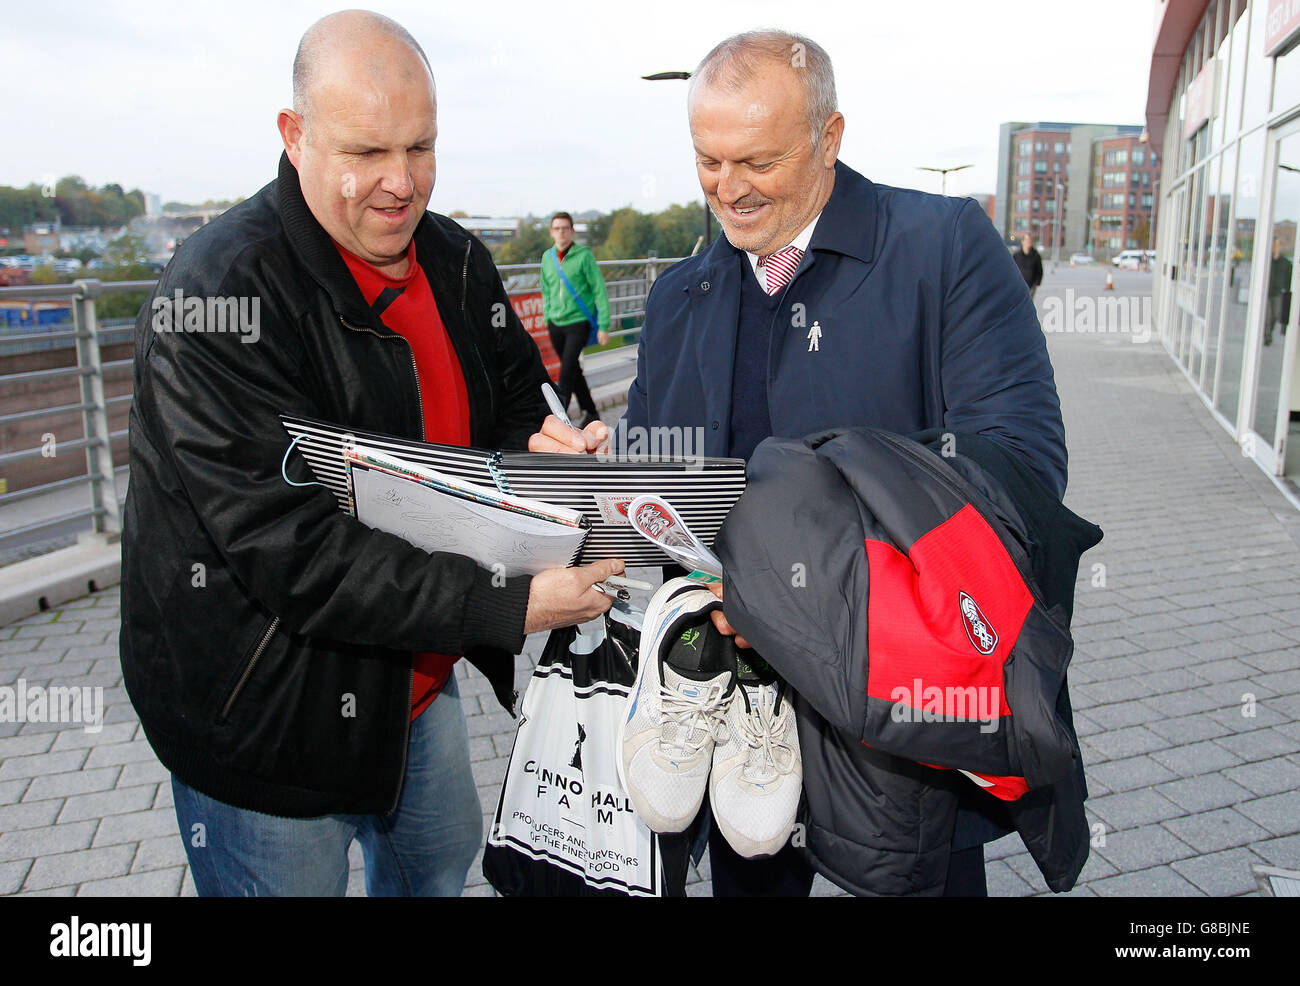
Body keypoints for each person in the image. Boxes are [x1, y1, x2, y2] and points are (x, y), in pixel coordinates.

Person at [532, 30, 1068, 897]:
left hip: (899, 721)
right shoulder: (679, 295)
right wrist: (604, 472)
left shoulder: (944, 245)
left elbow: (1022, 465)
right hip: (733, 719)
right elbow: (670, 477)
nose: (728, 189)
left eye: (757, 160)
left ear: (829, 138)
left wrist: (807, 594)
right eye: (708, 161)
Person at [119, 10, 622, 898]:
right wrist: (504, 608)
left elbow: (509, 408)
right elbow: (295, 551)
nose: (401, 184)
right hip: (265, 719)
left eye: (421, 147)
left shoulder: (456, 260)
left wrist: (548, 453)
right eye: (366, 153)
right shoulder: (216, 297)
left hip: (414, 691)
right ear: (295, 136)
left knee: (435, 872)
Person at [541, 211, 610, 427]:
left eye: (565, 228)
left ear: (571, 231)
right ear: (552, 232)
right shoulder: (547, 257)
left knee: (567, 369)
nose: (561, 232)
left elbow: (599, 290)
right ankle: (591, 412)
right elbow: (546, 288)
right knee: (573, 370)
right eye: (557, 228)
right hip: (555, 323)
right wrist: (547, 316)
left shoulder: (584, 256)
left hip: (578, 322)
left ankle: (561, 417)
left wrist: (604, 325)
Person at [1267, 238, 1292, 346]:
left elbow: (1289, 278)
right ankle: (1267, 336)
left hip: (1278, 293)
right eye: (1273, 245)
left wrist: (1287, 291)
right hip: (1267, 292)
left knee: (1275, 315)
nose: (1275, 247)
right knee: (1267, 316)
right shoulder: (1267, 261)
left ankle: (1269, 332)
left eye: (1277, 245)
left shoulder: (1286, 263)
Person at [1014, 232, 1044, 298]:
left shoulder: (1036, 255)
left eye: (1030, 240)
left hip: (1031, 285)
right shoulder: (1016, 255)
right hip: (1018, 285)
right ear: (1023, 241)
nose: (1029, 242)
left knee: (1028, 304)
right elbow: (1011, 269)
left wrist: (1037, 283)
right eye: (1027, 240)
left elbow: (1040, 270)